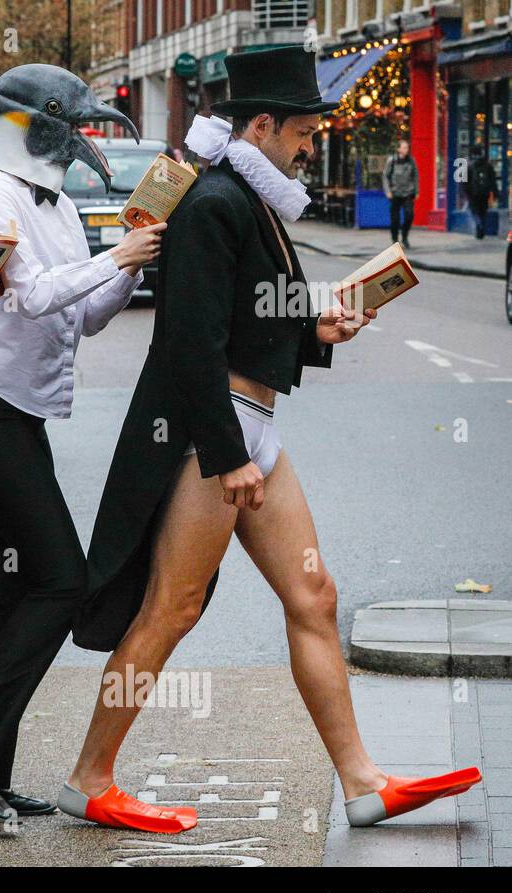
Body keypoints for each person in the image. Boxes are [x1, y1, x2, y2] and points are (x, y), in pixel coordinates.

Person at [64, 46, 481, 833]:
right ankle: (90, 775)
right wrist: (225, 457)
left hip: (251, 428)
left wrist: (319, 329)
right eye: (300, 131)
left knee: (313, 596)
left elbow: (253, 318)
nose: (309, 144)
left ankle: (362, 781)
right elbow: (190, 341)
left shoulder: (251, 201)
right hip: (210, 435)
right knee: (173, 606)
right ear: (260, 124)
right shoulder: (215, 201)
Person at [0, 64, 159, 823]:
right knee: (61, 580)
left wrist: (135, 255)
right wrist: (114, 258)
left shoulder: (56, 208)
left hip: (20, 414)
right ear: (34, 125)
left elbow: (82, 315)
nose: (84, 137)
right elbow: (32, 294)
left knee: (18, 589)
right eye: (73, 123)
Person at [383, 139, 418, 248]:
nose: (406, 150)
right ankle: (395, 239)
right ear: (398, 149)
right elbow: (385, 176)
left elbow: (415, 176)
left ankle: (405, 237)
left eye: (407, 147)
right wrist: (388, 190)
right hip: (395, 193)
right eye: (404, 147)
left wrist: (416, 191)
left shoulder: (411, 160)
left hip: (408, 193)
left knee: (409, 216)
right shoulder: (392, 160)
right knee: (395, 219)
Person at [465, 153, 496, 240]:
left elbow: (465, 183)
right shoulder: (488, 166)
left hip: (473, 194)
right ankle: (481, 232)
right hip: (485, 194)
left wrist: (468, 193)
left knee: (474, 211)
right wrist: (495, 193)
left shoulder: (469, 166)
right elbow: (493, 181)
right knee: (483, 212)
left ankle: (479, 224)